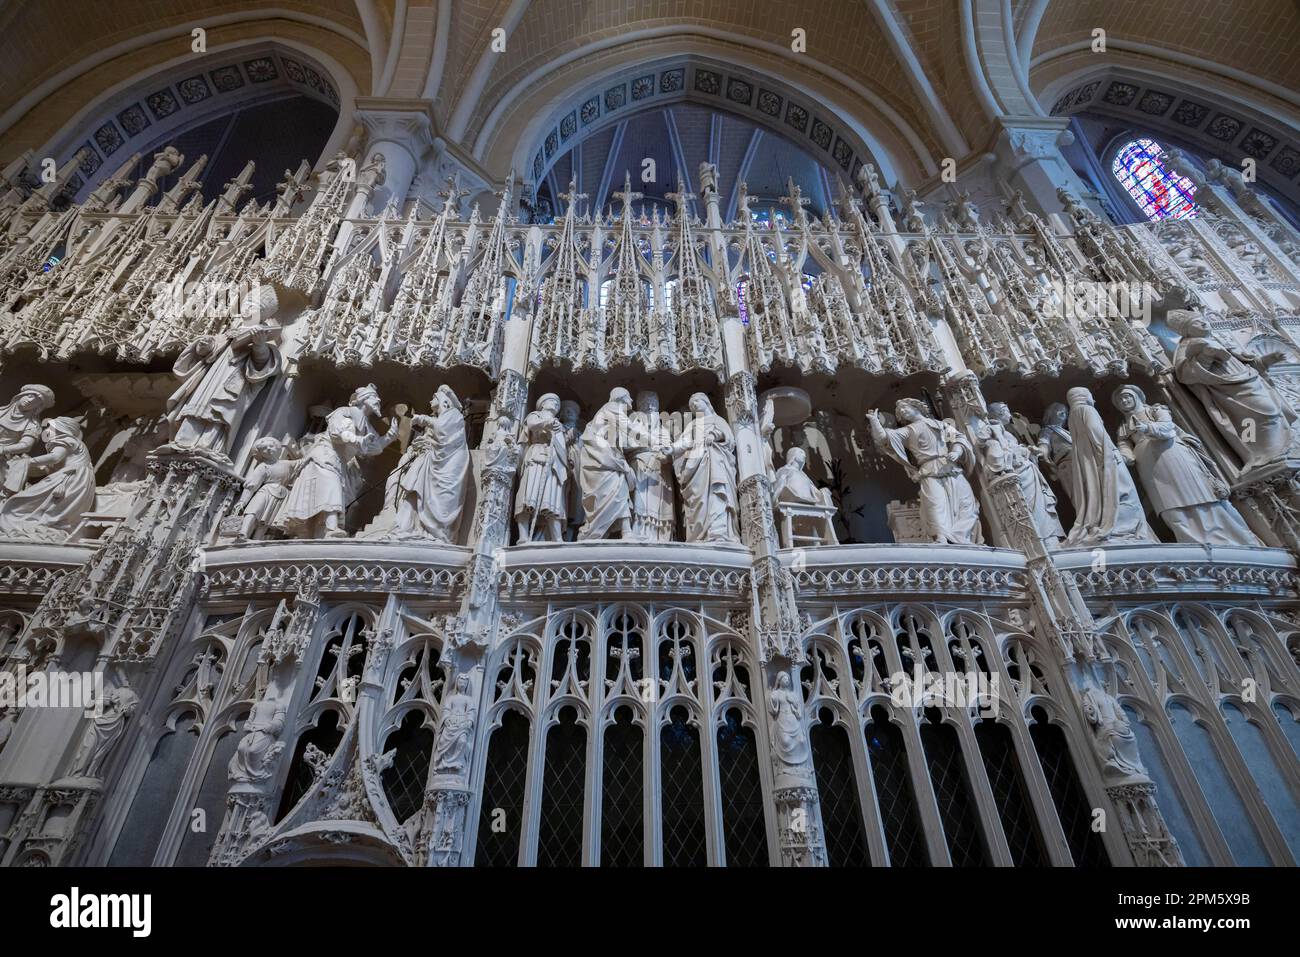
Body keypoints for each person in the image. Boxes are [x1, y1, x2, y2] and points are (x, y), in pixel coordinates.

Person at [1113, 384, 1260, 546]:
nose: (1124, 401)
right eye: (1120, 400)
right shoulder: (1123, 427)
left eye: (1127, 396)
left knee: (1197, 493)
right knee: (1168, 503)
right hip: (1149, 465)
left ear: (1137, 397)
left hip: (1172, 453)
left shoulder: (1155, 410)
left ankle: (1231, 538)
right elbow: (1125, 446)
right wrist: (1124, 457)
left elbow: (1168, 427)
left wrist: (1148, 427)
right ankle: (1192, 541)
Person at [277, 384, 397, 539]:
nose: (378, 400)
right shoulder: (343, 411)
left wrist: (390, 437)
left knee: (336, 493)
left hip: (339, 462)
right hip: (324, 454)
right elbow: (336, 433)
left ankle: (320, 533)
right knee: (331, 487)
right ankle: (331, 529)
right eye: (374, 397)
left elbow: (372, 448)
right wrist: (357, 439)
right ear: (363, 399)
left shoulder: (367, 426)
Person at [868, 398, 981, 545]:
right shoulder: (908, 431)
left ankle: (963, 537)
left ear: (917, 407)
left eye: (904, 407)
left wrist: (957, 451)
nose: (902, 411)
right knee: (935, 503)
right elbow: (884, 438)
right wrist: (874, 422)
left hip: (950, 466)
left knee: (966, 503)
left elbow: (958, 438)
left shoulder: (941, 424)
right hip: (929, 469)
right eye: (900, 411)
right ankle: (941, 537)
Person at [1063, 387, 1155, 547]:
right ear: (1084, 396)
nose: (1095, 400)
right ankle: (1125, 530)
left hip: (1091, 463)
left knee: (1102, 494)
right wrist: (1110, 453)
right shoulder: (1087, 410)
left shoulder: (1073, 415)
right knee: (1122, 492)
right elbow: (1096, 432)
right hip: (1106, 458)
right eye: (1092, 395)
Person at [389, 385, 469, 542]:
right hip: (428, 461)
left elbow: (444, 431)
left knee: (442, 500)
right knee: (413, 489)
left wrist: (425, 419)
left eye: (434, 397)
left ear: (444, 402)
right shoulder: (440, 419)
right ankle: (403, 527)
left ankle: (437, 533)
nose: (430, 400)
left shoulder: (454, 415)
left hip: (448, 464)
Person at [0, 416, 96, 541]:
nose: (47, 430)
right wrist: (26, 463)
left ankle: (19, 526)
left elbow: (55, 457)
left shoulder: (65, 439)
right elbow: (49, 468)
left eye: (50, 427)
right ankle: (44, 526)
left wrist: (29, 461)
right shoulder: (76, 444)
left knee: (17, 503)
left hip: (68, 479)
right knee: (50, 510)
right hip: (80, 481)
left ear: (60, 429)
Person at [669, 393, 740, 543]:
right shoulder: (693, 425)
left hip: (715, 460)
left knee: (717, 493)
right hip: (696, 466)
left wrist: (715, 435)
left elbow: (730, 439)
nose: (694, 405)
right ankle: (701, 534)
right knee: (699, 498)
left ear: (706, 402)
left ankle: (718, 531)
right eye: (691, 405)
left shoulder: (718, 420)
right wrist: (671, 449)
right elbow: (684, 442)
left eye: (696, 401)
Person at [577, 388, 636, 540]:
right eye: (629, 397)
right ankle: (605, 530)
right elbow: (631, 429)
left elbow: (626, 439)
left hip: (609, 455)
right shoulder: (612, 407)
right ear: (623, 397)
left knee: (619, 489)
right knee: (614, 490)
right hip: (600, 455)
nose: (632, 401)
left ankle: (626, 530)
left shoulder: (610, 411)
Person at [513, 393, 567, 542]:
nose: (555, 404)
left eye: (558, 404)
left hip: (553, 462)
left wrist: (558, 432)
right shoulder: (535, 415)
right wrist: (547, 423)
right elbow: (531, 425)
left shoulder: (558, 424)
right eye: (552, 401)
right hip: (535, 458)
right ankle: (523, 536)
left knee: (552, 499)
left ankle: (557, 538)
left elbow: (563, 447)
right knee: (528, 496)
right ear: (542, 404)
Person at [0, 384, 54, 498]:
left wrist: (3, 449)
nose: (30, 401)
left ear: (38, 407)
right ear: (21, 395)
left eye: (36, 402)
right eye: (29, 396)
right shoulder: (1, 411)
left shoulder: (32, 425)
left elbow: (26, 445)